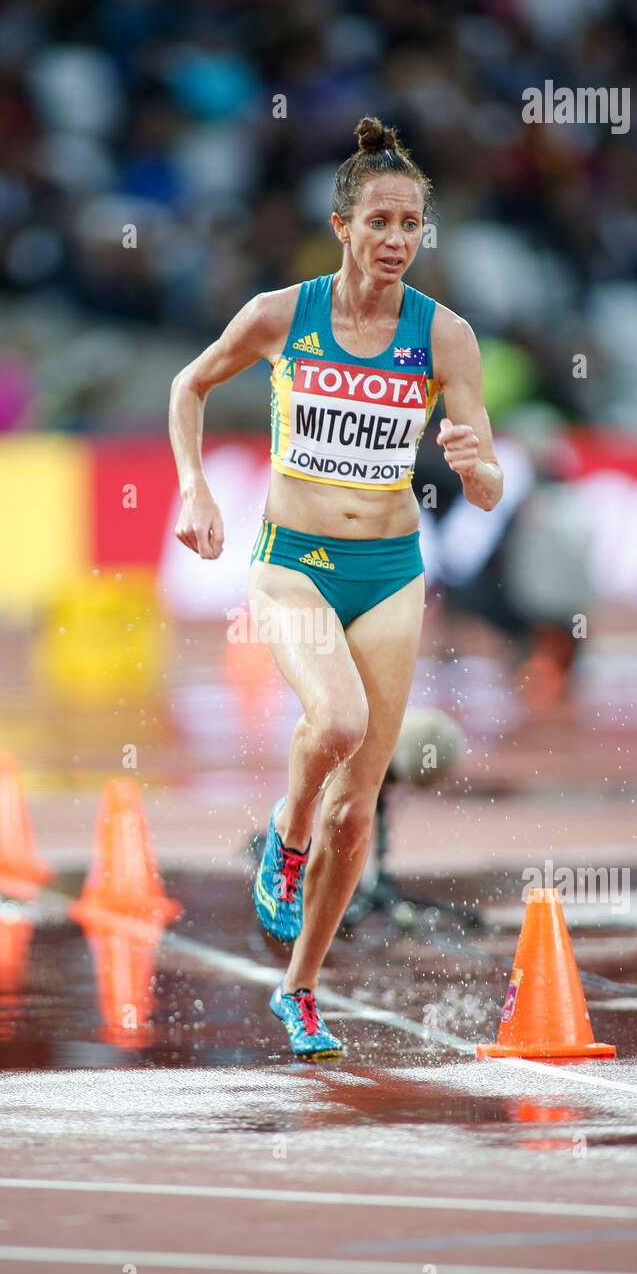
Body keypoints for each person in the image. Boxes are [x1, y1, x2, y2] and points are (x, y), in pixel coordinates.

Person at [168, 116, 503, 1061]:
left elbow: (487, 484)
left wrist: (477, 468)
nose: (398, 240)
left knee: (359, 811)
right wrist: (194, 485)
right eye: (381, 221)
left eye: (412, 225)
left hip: (391, 569)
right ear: (342, 225)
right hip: (291, 562)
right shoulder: (283, 313)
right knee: (341, 724)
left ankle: (301, 988)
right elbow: (188, 386)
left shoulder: (447, 336)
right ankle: (284, 831)